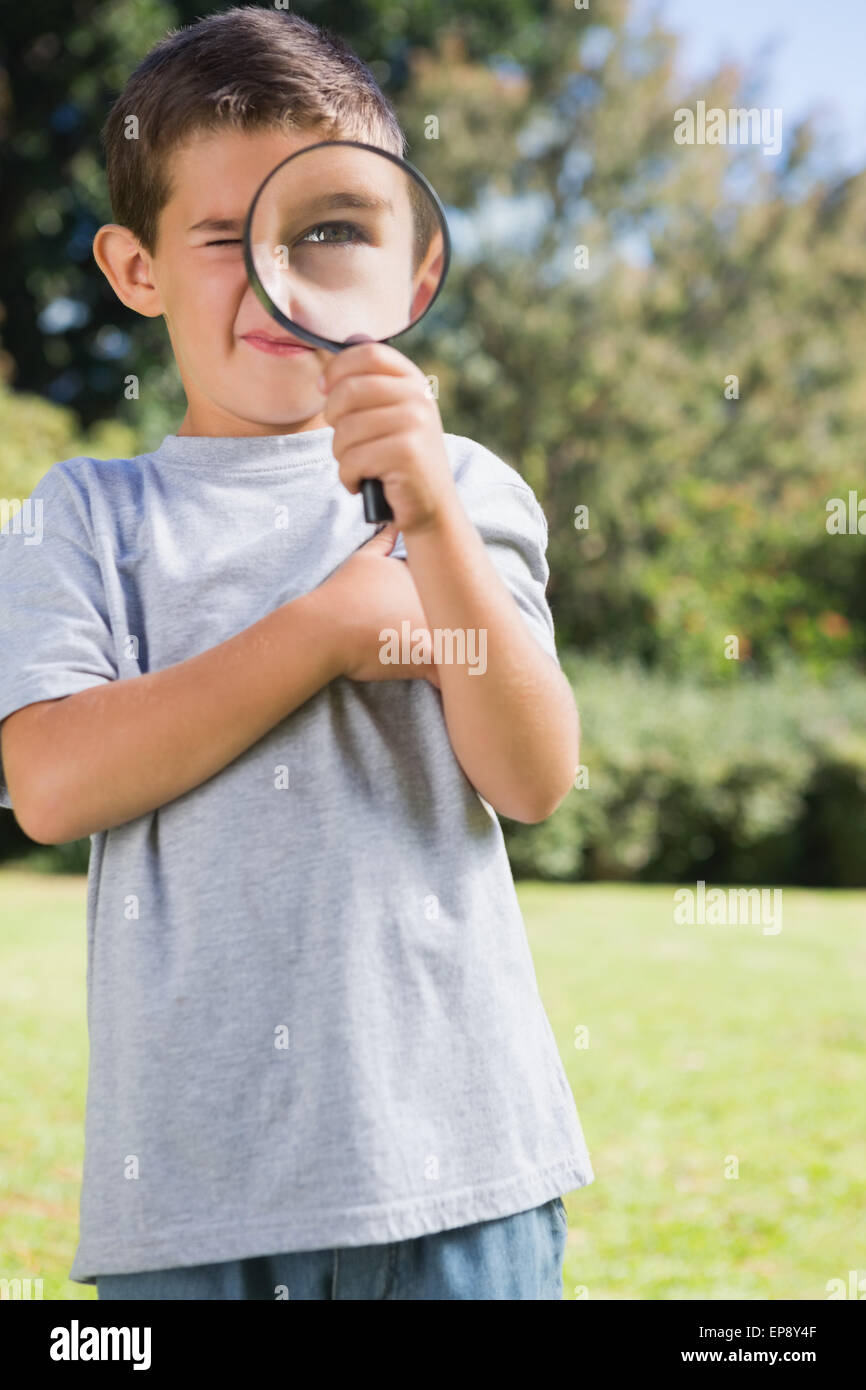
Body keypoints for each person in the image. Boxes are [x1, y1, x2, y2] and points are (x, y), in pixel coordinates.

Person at [0, 7, 593, 1300]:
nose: (283, 273)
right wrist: (326, 628)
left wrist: (427, 518)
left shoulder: (465, 486)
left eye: (331, 230)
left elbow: (534, 776)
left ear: (409, 263)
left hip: (461, 1169)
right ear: (135, 266)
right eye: (225, 238)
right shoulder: (83, 516)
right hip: (195, 1202)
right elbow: (50, 782)